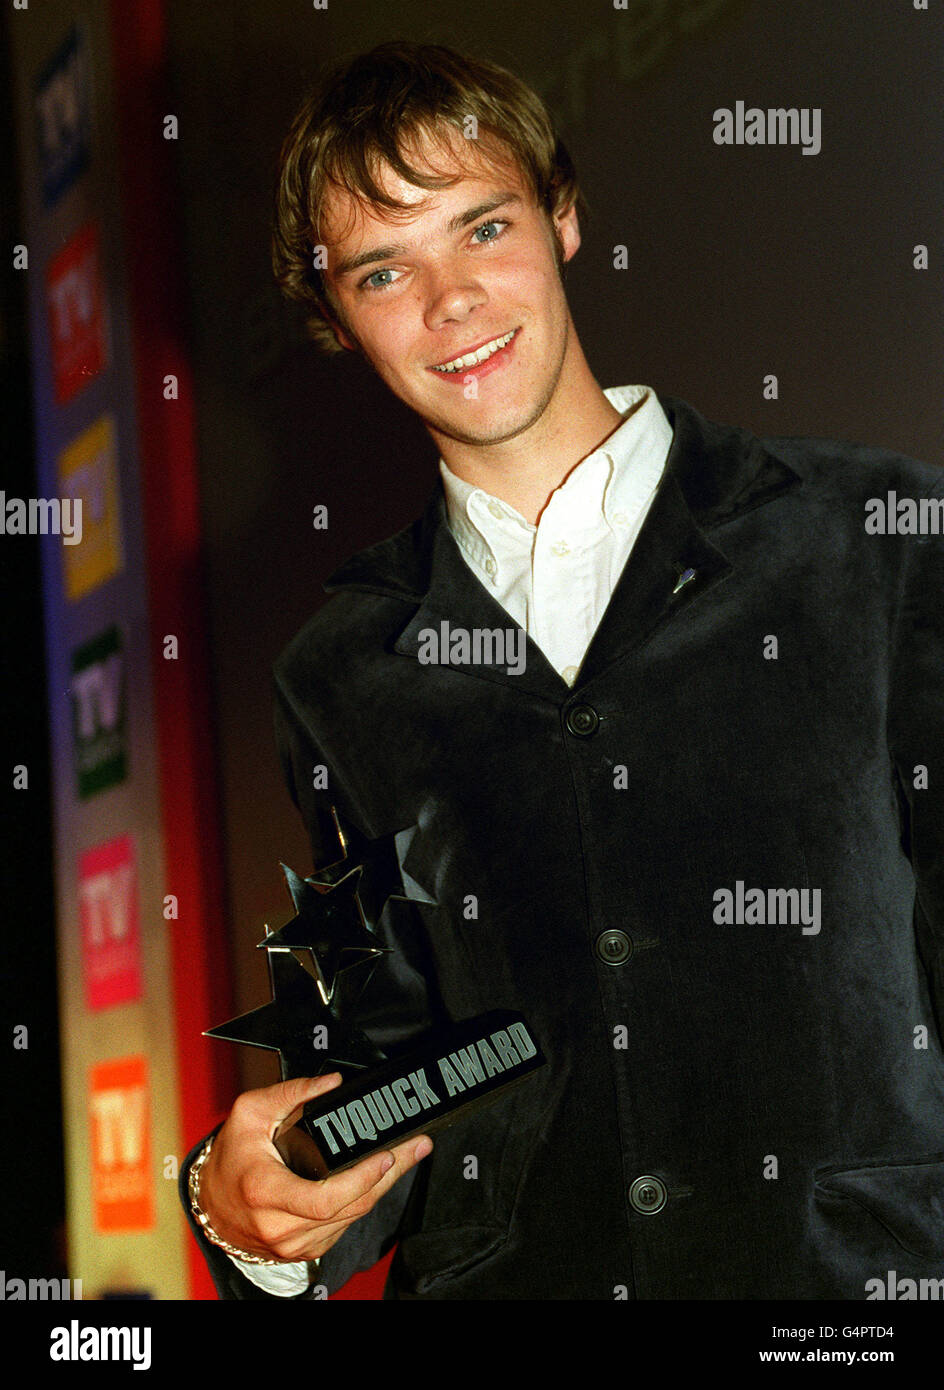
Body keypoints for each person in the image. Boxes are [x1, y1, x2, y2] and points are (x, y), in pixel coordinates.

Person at [179, 40, 944, 1301]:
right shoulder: (340, 674)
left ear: (564, 217)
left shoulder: (873, 538)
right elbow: (396, 1070)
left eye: (482, 226)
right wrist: (243, 1201)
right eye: (384, 268)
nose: (451, 300)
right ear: (336, 319)